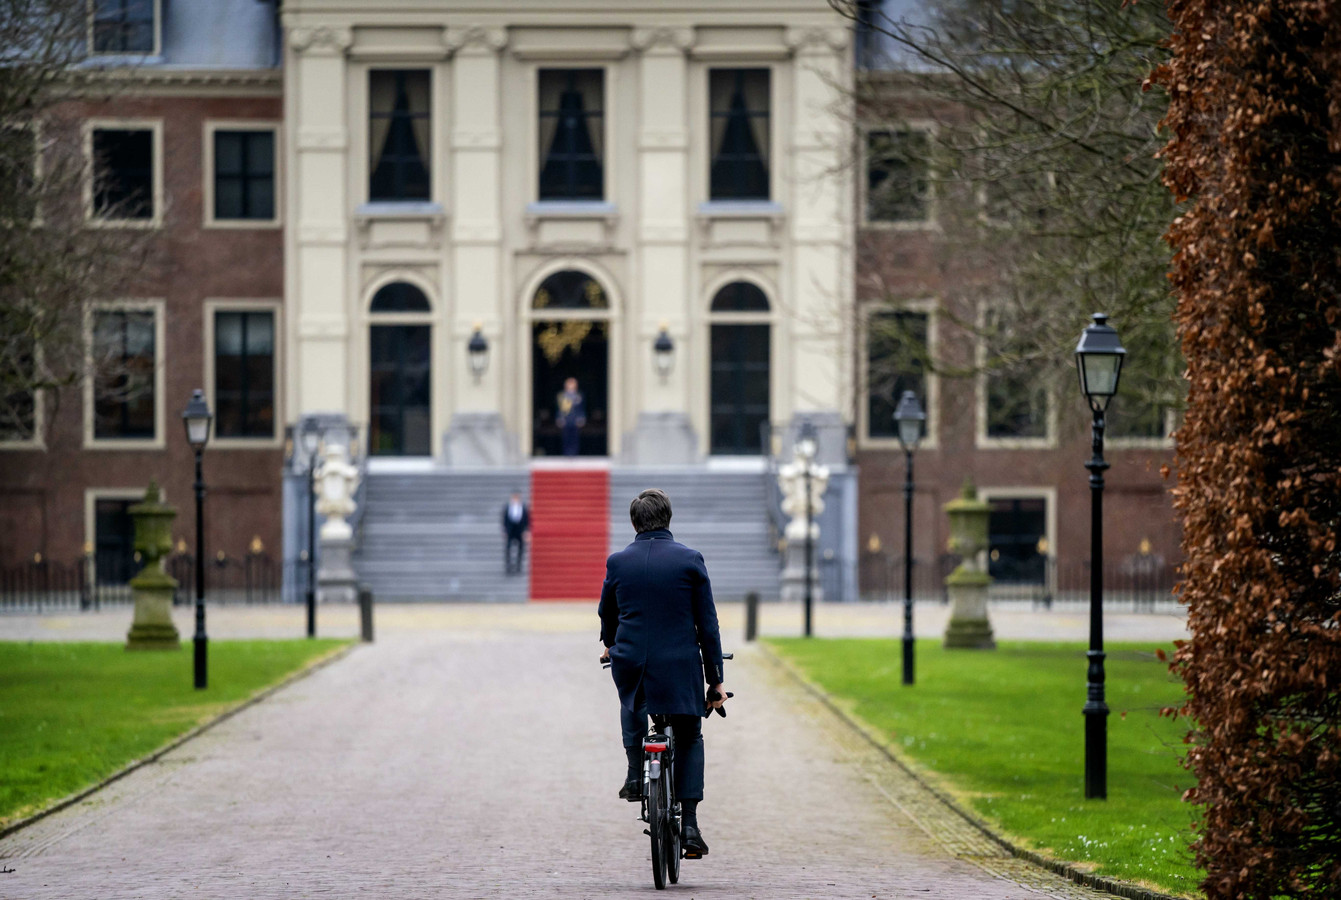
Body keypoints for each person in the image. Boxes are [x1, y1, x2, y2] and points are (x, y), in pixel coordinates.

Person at [598, 488, 727, 858]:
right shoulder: (690, 560)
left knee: (632, 697)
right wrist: (715, 679)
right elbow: (708, 625)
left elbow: (608, 613)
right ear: (668, 519)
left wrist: (610, 642)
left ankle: (635, 773)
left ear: (634, 523)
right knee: (689, 736)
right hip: (680, 666)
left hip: (632, 660)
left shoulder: (618, 562)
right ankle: (689, 824)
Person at [501, 490, 530, 575]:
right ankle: (508, 566)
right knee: (508, 548)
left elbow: (526, 520)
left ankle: (518, 566)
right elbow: (504, 520)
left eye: (517, 497)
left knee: (520, 549)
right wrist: (504, 531)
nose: (516, 499)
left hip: (520, 530)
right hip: (510, 530)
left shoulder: (523, 508)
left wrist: (526, 531)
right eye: (514, 497)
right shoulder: (507, 507)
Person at [556, 377, 586, 456]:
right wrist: (560, 418)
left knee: (575, 437)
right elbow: (561, 409)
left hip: (575, 419)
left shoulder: (578, 396)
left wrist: (581, 417)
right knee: (566, 437)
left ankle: (575, 452)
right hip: (566, 419)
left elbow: (581, 408)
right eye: (569, 384)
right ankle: (566, 452)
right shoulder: (563, 396)